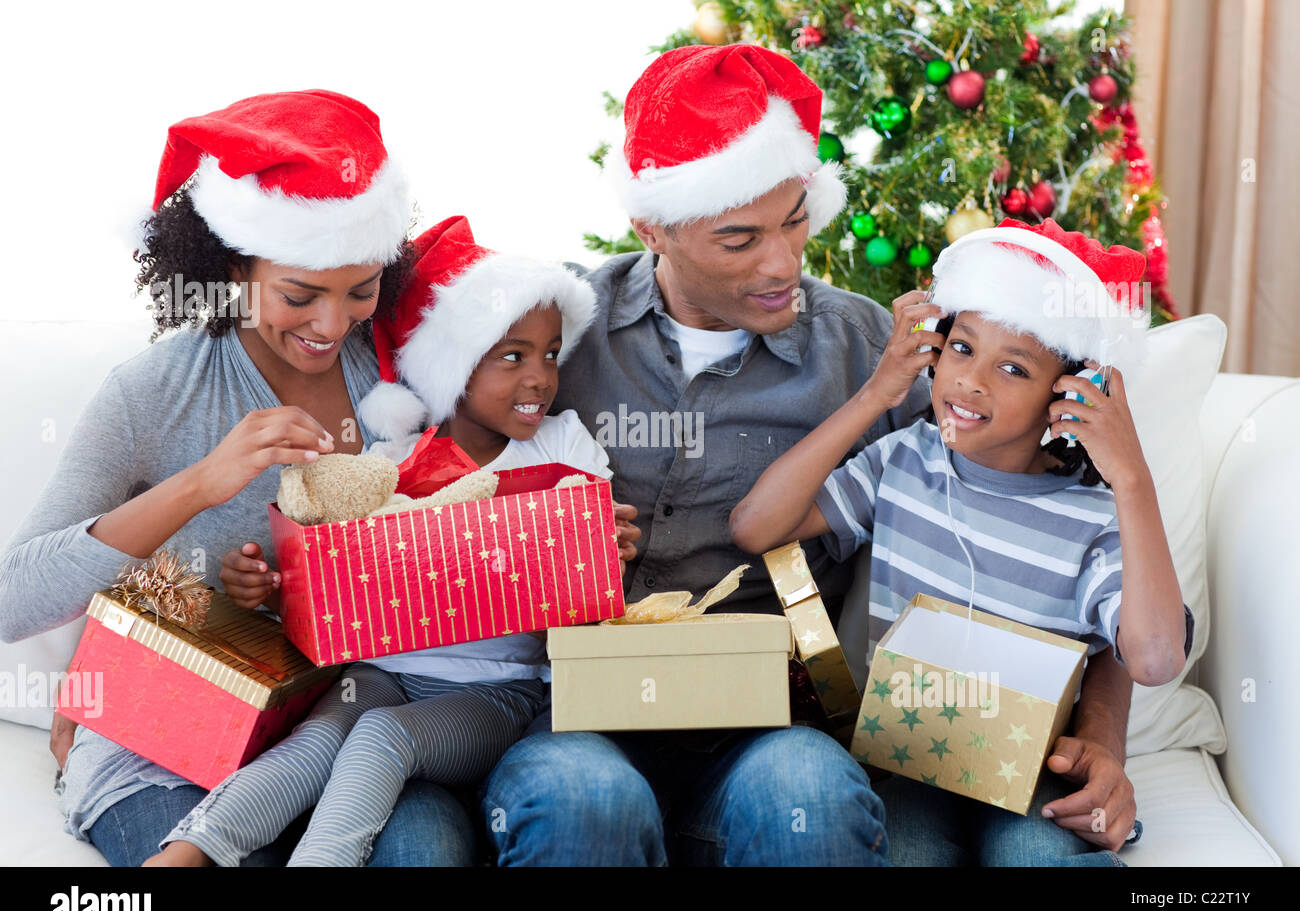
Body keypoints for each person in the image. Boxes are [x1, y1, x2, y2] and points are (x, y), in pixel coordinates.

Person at [481, 42, 1144, 865]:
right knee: (584, 800)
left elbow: (1073, 533)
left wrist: (1103, 737)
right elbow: (421, 481)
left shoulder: (874, 349)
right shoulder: (555, 333)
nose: (783, 262)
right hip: (579, 718)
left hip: (771, 731)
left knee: (812, 797)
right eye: (739, 239)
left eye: (796, 218)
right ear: (651, 227)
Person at [0, 90, 471, 866]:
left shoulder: (399, 373)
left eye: (360, 290)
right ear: (232, 264)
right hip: (170, 739)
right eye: (299, 295)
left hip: (349, 743)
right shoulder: (154, 391)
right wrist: (201, 483)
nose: (331, 325)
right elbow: (16, 598)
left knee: (428, 851)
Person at [152, 215, 634, 866]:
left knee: (382, 735)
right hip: (381, 674)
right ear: (455, 368)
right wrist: (276, 587)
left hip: (495, 690)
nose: (540, 378)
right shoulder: (395, 458)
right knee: (317, 739)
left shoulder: (565, 442)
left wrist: (604, 546)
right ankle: (185, 854)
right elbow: (341, 579)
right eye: (512, 356)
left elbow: (590, 574)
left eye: (550, 354)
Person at [731, 217, 1195, 865]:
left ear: (1068, 396)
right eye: (962, 349)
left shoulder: (1093, 518)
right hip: (910, 765)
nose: (972, 382)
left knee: (1039, 856)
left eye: (1012, 368)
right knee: (909, 850)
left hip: (1033, 774)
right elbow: (755, 526)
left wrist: (1130, 476)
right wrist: (876, 394)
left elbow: (1152, 659)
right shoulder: (905, 461)